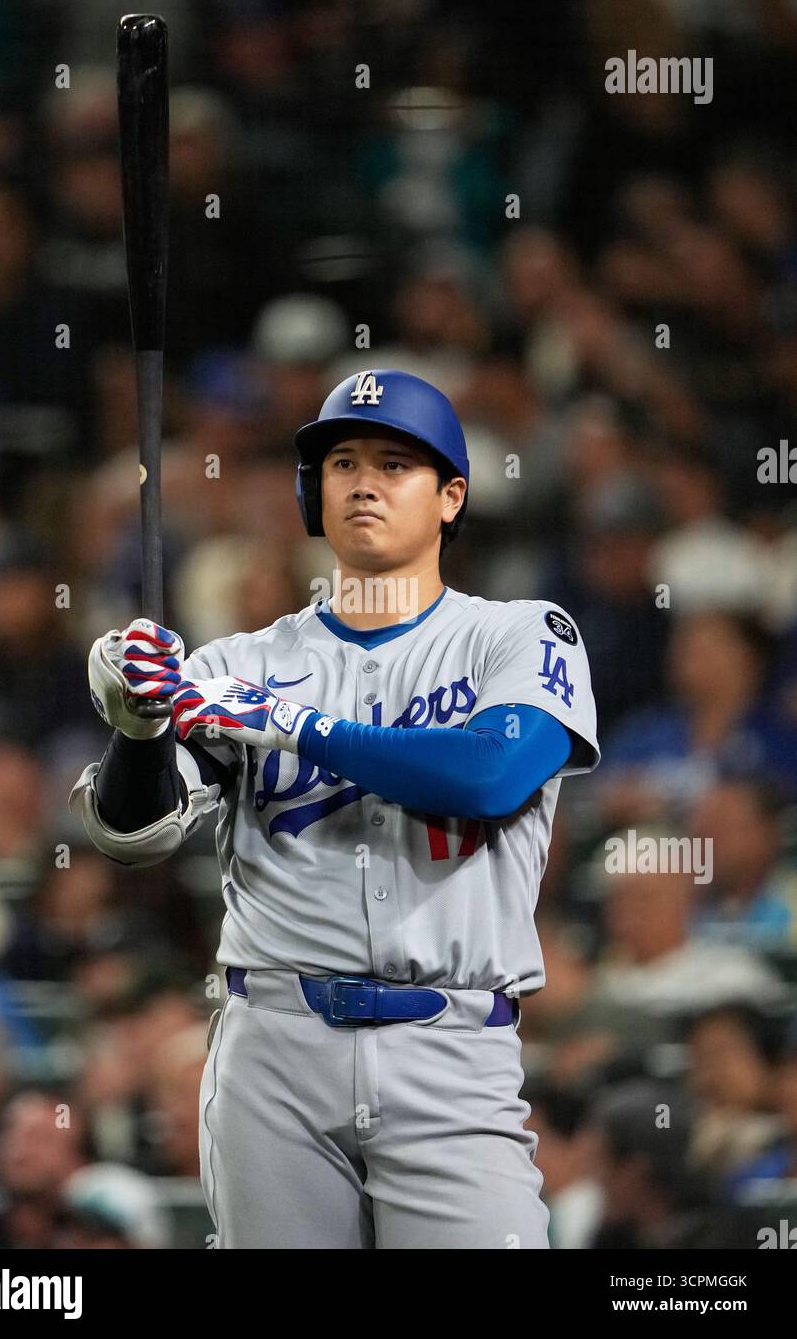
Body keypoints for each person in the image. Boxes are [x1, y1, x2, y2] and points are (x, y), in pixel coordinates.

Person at [71, 369, 600, 1249]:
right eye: (343, 461)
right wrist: (137, 729)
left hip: (452, 1050)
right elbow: (134, 835)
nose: (364, 480)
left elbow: (491, 775)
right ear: (312, 492)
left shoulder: (519, 634)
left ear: (451, 497)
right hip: (274, 1050)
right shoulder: (239, 662)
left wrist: (294, 724)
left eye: (397, 464)